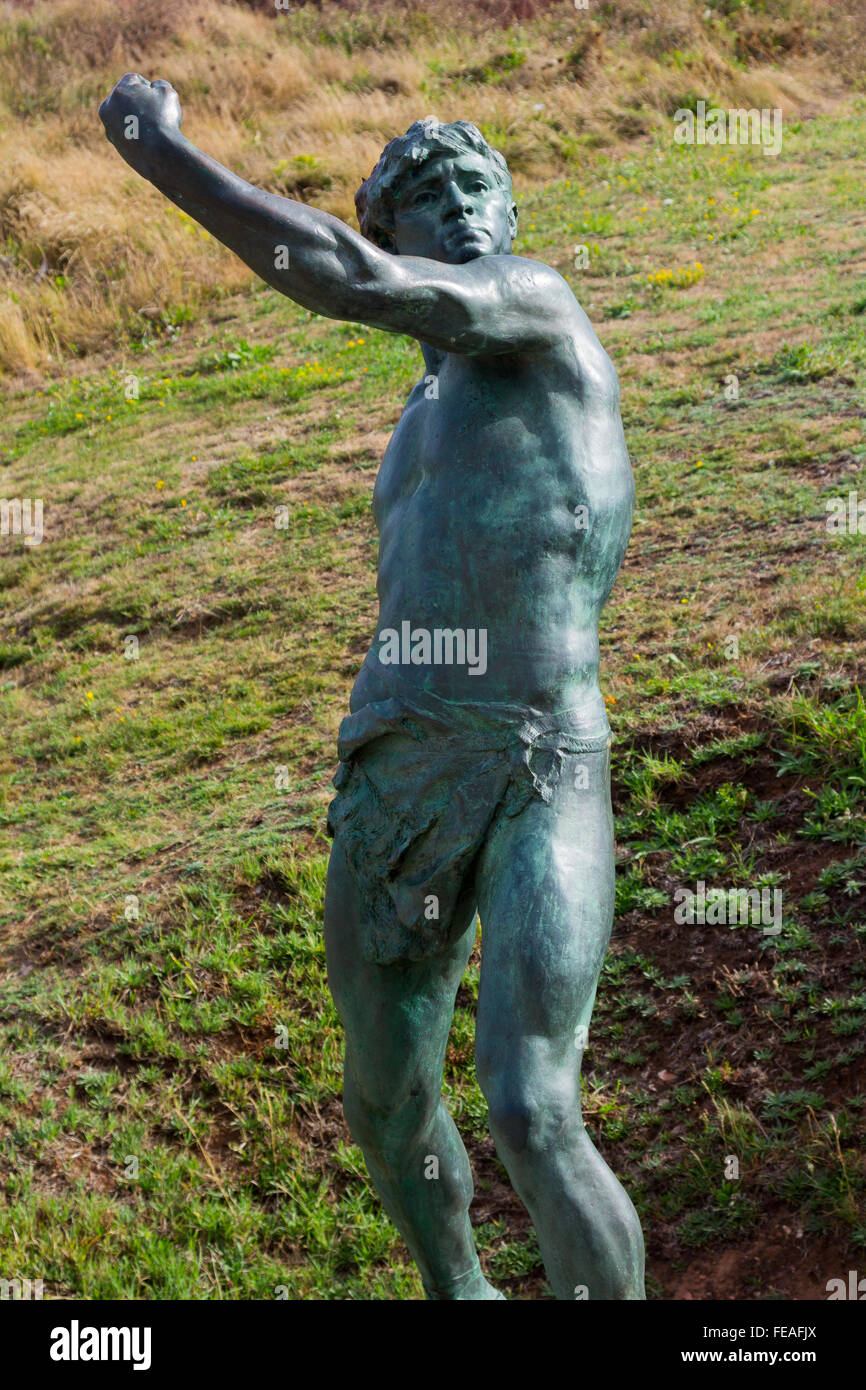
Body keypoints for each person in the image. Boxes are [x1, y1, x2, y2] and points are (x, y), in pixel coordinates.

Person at [99, 75, 644, 1301]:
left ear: (502, 212)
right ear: (390, 219)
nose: (457, 208)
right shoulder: (424, 412)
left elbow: (341, 277)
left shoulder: (532, 306)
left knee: (529, 1100)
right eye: (423, 195)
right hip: (395, 770)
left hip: (532, 755)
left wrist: (158, 149)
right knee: (385, 1098)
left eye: (474, 187)